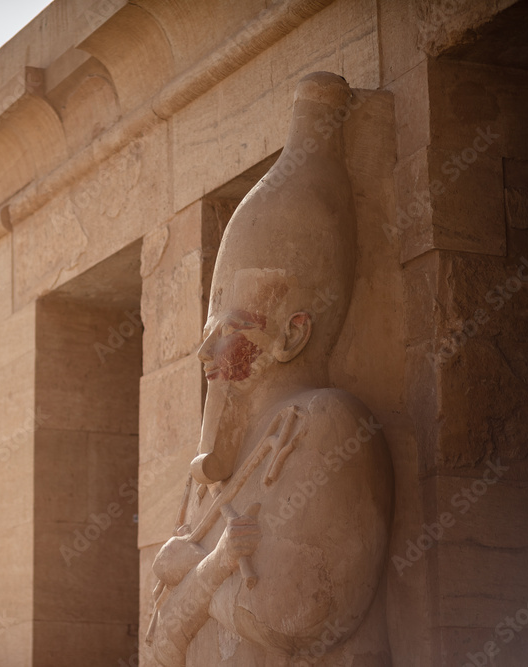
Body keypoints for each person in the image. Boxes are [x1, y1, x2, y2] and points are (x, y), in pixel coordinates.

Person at [147, 72, 394, 666]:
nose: (205, 352)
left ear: (293, 334)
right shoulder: (211, 470)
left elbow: (297, 617)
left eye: (230, 329)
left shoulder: (329, 424)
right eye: (208, 330)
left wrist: (197, 571)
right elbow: (159, 645)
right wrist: (205, 575)